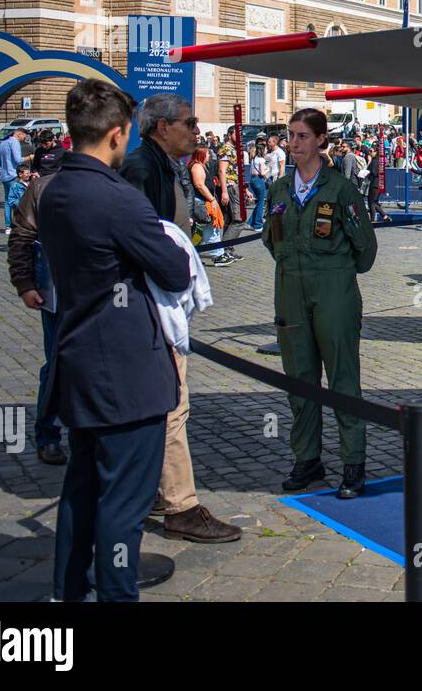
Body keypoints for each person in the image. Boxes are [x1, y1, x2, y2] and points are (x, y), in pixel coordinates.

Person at [39, 80, 191, 601]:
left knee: (81, 491)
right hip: (126, 373)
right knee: (123, 505)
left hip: (78, 359)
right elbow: (174, 270)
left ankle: (68, 593)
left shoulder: (55, 187)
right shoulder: (116, 196)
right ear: (117, 134)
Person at [119, 93, 241, 544]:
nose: (196, 131)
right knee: (172, 404)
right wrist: (175, 272)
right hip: (151, 309)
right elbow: (140, 239)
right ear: (161, 127)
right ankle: (181, 505)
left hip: (158, 304)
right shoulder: (142, 168)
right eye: (189, 123)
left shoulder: (157, 164)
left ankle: (153, 488)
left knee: (164, 403)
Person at [264, 109, 377, 499]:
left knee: (343, 380)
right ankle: (307, 459)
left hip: (334, 292)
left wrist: (335, 271)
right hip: (290, 290)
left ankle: (353, 463)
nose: (294, 144)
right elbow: (270, 239)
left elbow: (366, 250)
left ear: (320, 140)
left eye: (302, 136)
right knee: (299, 382)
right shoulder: (279, 190)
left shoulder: (340, 189)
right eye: (291, 136)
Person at [7, 163, 66, 465]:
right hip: (58, 295)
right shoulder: (42, 188)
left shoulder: (112, 182)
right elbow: (22, 237)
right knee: (56, 365)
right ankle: (48, 434)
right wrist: (25, 282)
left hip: (103, 296)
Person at [0, 128, 29, 234]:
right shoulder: (14, 143)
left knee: (7, 201)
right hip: (13, 175)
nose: (25, 138)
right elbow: (18, 160)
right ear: (19, 134)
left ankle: (8, 226)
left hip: (4, 176)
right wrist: (30, 157)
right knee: (18, 200)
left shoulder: (3, 143)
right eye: (24, 136)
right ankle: (17, 225)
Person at [248, 141, 270, 230]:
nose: (266, 150)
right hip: (259, 180)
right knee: (261, 203)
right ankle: (257, 225)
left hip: (252, 180)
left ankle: (251, 222)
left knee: (259, 202)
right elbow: (262, 173)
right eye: (265, 149)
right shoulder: (261, 160)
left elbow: (250, 171)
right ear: (262, 150)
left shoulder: (253, 159)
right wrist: (268, 169)